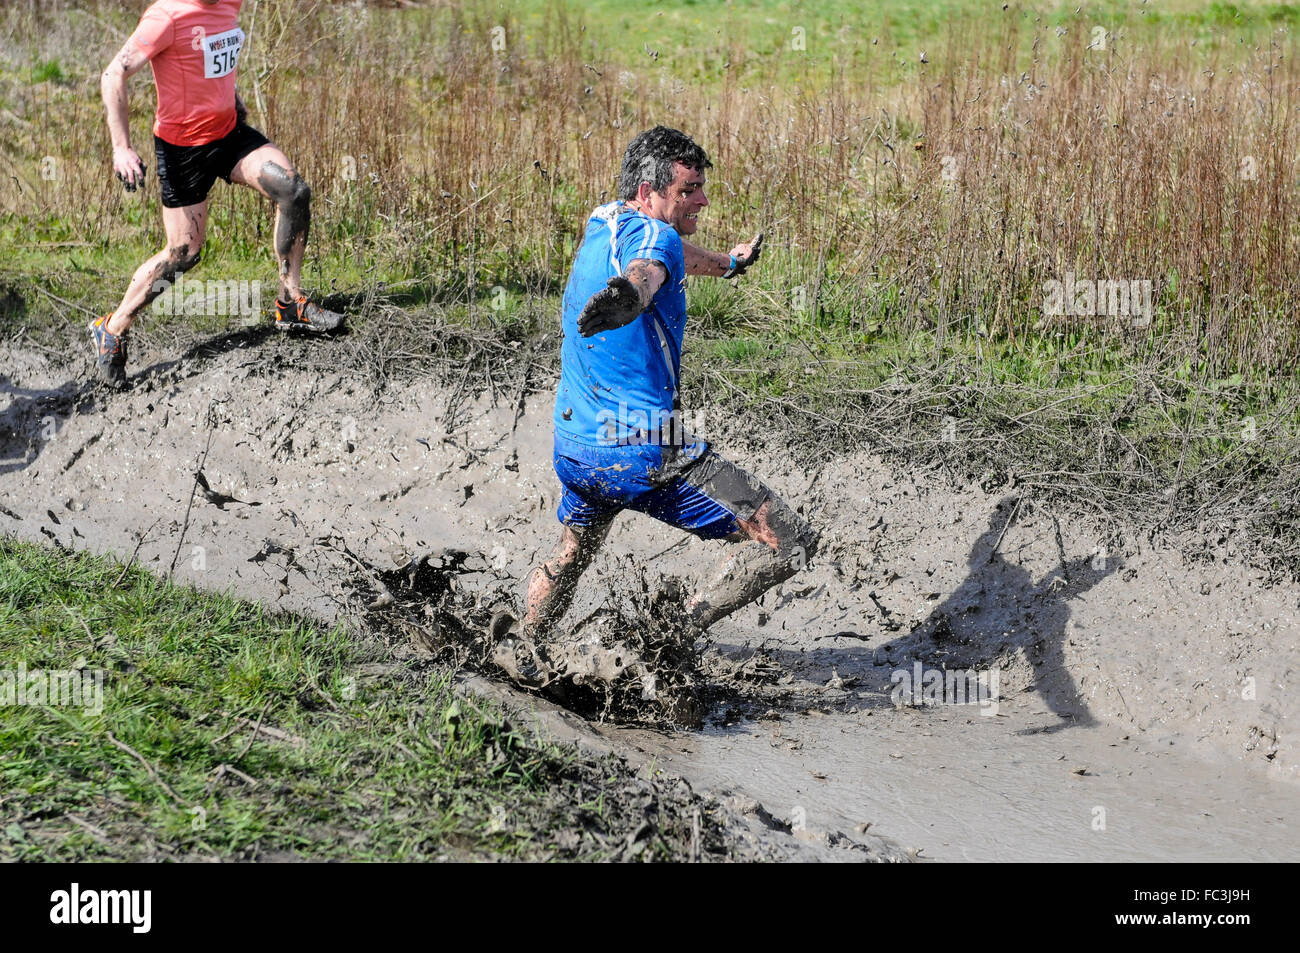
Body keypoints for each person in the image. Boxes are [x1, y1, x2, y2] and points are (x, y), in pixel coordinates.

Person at [504, 126, 817, 667]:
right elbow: (650, 266)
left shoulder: (603, 219)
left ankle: (520, 647)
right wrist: (633, 293)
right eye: (688, 190)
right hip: (642, 446)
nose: (702, 199)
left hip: (576, 446)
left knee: (574, 550)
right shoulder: (655, 242)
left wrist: (728, 263)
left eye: (699, 187)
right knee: (790, 540)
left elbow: (666, 254)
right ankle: (665, 637)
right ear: (649, 193)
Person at [91, 0, 342, 388]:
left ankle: (291, 304)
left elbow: (215, 51)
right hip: (183, 151)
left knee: (293, 191)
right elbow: (113, 75)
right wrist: (121, 147)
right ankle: (113, 327)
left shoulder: (231, 3)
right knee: (183, 253)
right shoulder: (167, 16)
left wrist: (231, 94)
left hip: (228, 134)